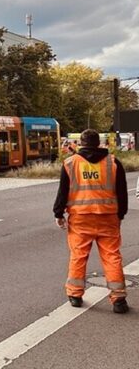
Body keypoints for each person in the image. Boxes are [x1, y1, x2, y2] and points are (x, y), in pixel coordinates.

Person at [53, 129, 129, 314]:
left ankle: (75, 295)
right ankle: (118, 298)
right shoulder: (113, 162)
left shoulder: (71, 163)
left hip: (80, 219)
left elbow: (63, 191)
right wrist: (120, 214)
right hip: (108, 217)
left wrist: (58, 213)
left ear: (81, 143)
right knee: (111, 256)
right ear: (98, 143)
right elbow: (122, 192)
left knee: (78, 256)